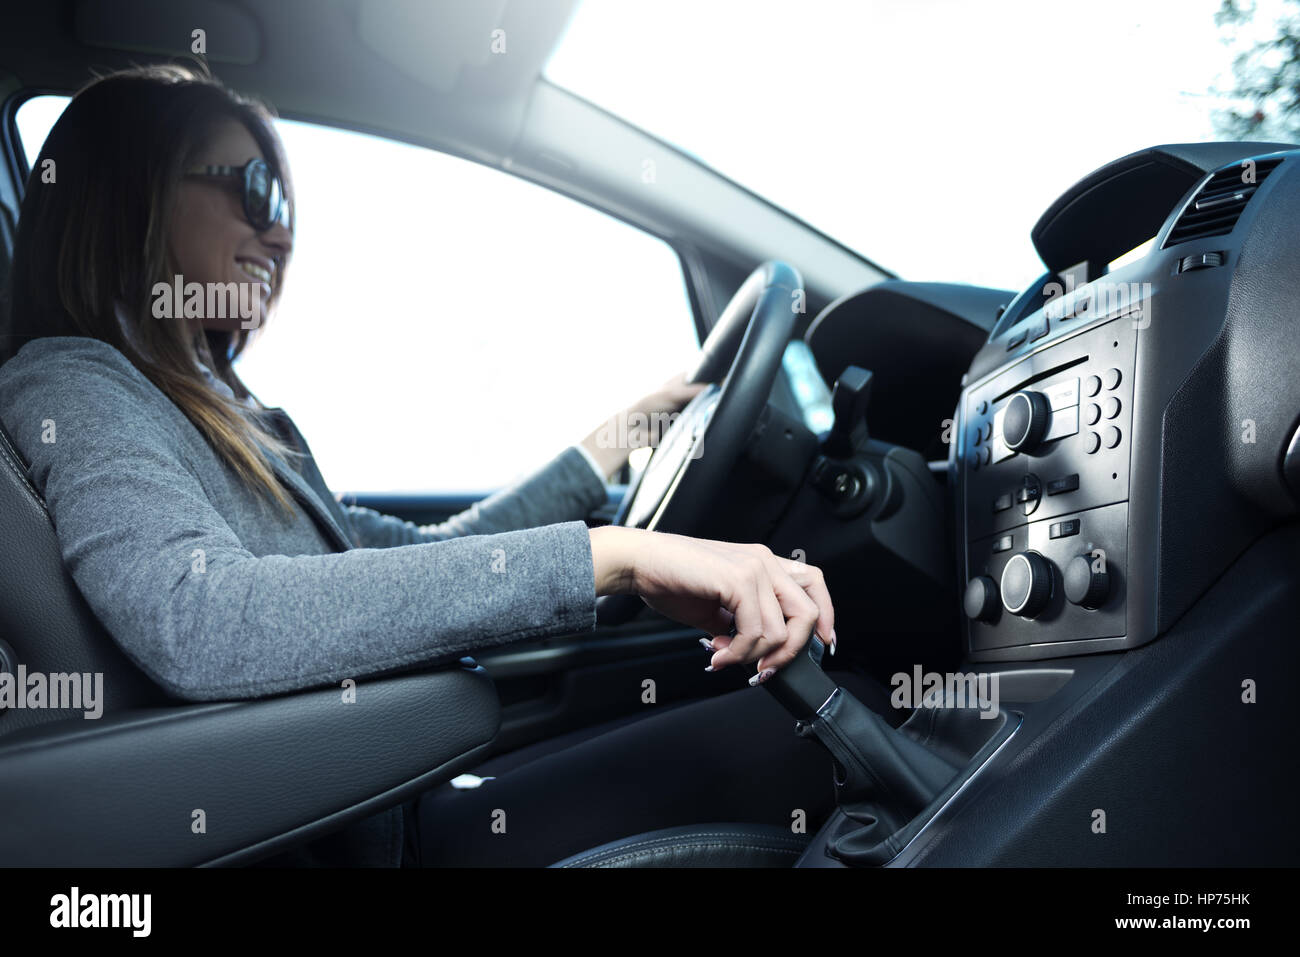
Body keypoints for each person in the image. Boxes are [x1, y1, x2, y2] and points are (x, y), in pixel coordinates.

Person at [0, 63, 873, 867]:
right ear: (130, 191)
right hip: (356, 839)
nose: (278, 234)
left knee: (806, 720)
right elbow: (198, 617)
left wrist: (618, 439)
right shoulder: (75, 383)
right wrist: (616, 555)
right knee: (833, 729)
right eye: (254, 191)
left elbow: (431, 548)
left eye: (287, 211)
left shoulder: (222, 412)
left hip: (391, 806)